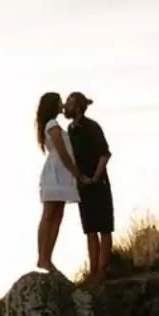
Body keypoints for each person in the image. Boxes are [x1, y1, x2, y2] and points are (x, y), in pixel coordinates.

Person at [64, 91, 114, 286]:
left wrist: (95, 177)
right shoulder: (70, 130)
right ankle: (92, 273)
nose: (65, 106)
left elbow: (105, 154)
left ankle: (103, 271)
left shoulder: (92, 127)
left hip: (98, 183)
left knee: (105, 227)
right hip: (82, 184)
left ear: (77, 107)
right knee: (90, 230)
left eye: (69, 102)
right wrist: (79, 177)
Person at [36, 92, 81, 273]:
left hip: (61, 174)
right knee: (49, 215)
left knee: (56, 215)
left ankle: (47, 256)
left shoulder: (53, 125)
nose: (62, 104)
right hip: (56, 173)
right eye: (59, 101)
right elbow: (62, 151)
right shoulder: (52, 125)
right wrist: (74, 171)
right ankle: (43, 257)